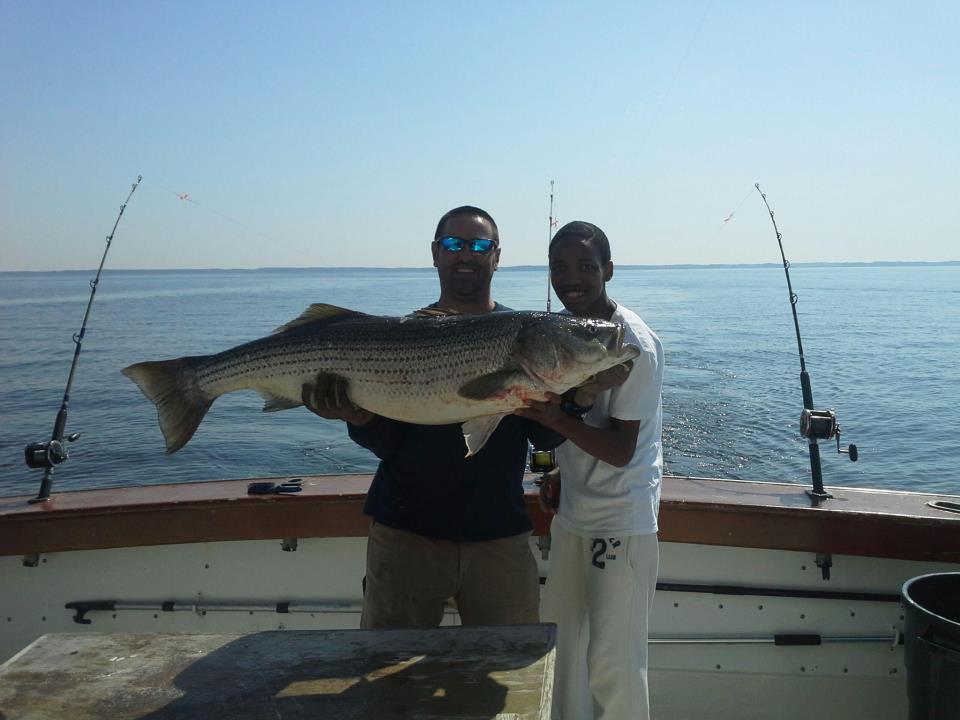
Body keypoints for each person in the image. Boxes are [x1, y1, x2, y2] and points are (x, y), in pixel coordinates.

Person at [301, 206, 580, 629]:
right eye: (454, 243)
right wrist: (356, 417)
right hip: (406, 535)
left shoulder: (526, 337)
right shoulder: (404, 334)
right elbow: (389, 444)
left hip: (497, 536)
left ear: (497, 256)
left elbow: (541, 438)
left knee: (504, 679)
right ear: (435, 253)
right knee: (389, 675)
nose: (466, 253)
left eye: (480, 245)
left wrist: (580, 397)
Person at [516, 220, 664, 720]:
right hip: (574, 514)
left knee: (613, 663)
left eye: (585, 266)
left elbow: (622, 451)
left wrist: (556, 419)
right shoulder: (561, 332)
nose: (571, 278)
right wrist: (557, 468)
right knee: (559, 653)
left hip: (621, 518)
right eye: (559, 267)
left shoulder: (632, 343)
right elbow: (578, 425)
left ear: (609, 271)